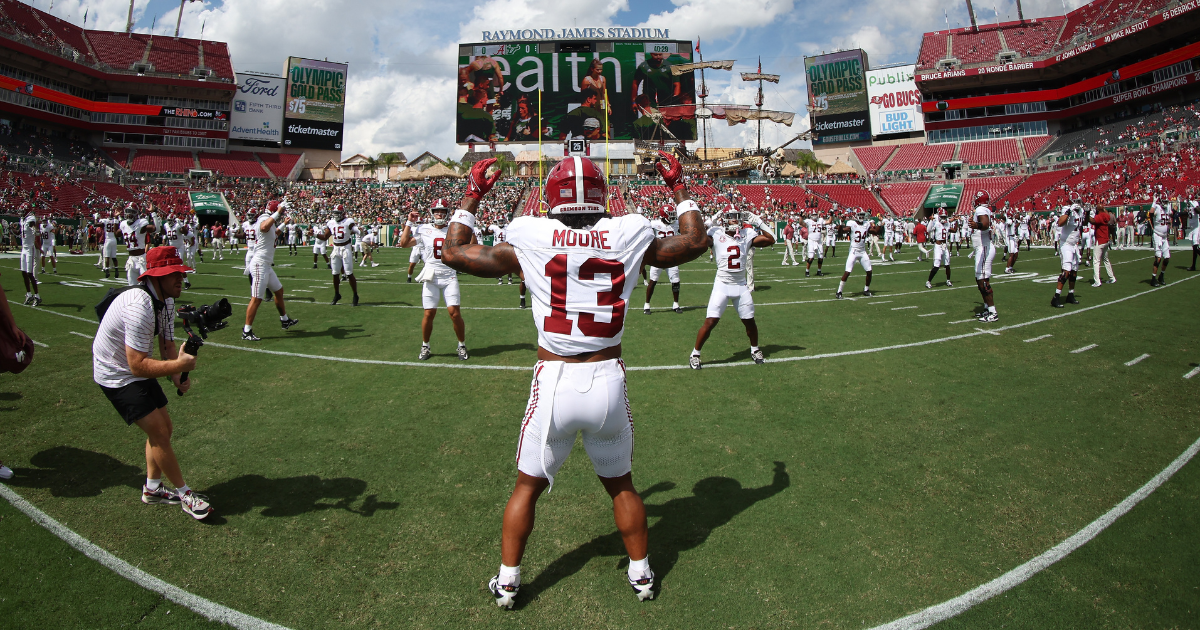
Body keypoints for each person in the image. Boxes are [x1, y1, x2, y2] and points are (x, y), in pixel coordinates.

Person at [441, 153, 709, 608]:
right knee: (621, 482)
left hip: (555, 380)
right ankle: (641, 574)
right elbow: (695, 240)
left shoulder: (530, 233)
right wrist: (678, 184)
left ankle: (508, 582)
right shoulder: (629, 232)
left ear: (551, 196)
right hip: (607, 380)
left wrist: (474, 193)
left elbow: (453, 252)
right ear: (602, 194)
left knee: (528, 485)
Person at [92, 246, 210, 520]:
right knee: (158, 431)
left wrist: (178, 377)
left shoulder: (165, 301)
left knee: (165, 428)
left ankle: (153, 489)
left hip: (131, 368)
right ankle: (185, 494)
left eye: (181, 272)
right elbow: (137, 365)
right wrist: (179, 366)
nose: (180, 278)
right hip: (115, 373)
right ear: (156, 277)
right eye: (173, 274)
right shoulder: (140, 305)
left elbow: (168, 344)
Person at [689, 207, 776, 369]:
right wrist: (708, 223)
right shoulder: (716, 232)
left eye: (737, 217)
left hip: (741, 286)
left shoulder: (747, 234)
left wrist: (758, 221)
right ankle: (695, 353)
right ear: (724, 219)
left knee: (750, 322)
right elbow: (698, 240)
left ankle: (755, 349)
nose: (735, 220)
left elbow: (771, 239)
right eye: (731, 217)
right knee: (710, 322)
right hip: (722, 285)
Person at [398, 200, 468, 360]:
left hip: (449, 275)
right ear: (432, 212)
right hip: (431, 276)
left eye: (443, 211)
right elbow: (403, 244)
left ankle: (461, 344)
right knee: (429, 313)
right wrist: (409, 222)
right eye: (437, 211)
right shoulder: (424, 229)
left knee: (455, 313)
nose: (440, 214)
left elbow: (470, 243)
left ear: (447, 213)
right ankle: (425, 346)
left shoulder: (452, 230)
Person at [242, 200, 300, 341]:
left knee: (279, 291)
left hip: (266, 265)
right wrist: (278, 213)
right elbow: (263, 227)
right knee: (256, 298)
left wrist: (284, 223)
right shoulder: (263, 218)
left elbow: (274, 233)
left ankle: (284, 320)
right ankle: (246, 331)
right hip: (259, 264)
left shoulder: (271, 222)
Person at [318, 204, 361, 305]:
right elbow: (325, 237)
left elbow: (353, 228)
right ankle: (337, 294)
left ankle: (355, 295)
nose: (336, 215)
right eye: (335, 213)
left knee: (349, 273)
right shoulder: (331, 222)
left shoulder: (348, 221)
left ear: (342, 213)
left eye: (338, 213)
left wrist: (358, 231)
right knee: (335, 273)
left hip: (346, 248)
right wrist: (314, 234)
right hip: (336, 248)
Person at [837, 210, 883, 299]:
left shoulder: (866, 224)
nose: (862, 217)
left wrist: (880, 221)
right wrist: (841, 222)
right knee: (847, 272)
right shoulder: (852, 224)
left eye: (863, 216)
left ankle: (866, 289)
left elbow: (876, 231)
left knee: (869, 271)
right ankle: (839, 291)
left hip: (862, 251)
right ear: (856, 216)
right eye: (860, 216)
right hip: (854, 251)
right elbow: (841, 231)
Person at [645, 204, 683, 313]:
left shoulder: (676, 224)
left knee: (676, 281)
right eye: (670, 215)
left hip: (672, 257)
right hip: (658, 257)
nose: (672, 217)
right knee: (653, 281)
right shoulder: (654, 224)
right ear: (664, 215)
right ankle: (647, 304)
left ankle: (676, 304)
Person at [969, 190, 999, 321]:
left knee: (983, 281)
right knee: (979, 279)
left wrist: (977, 225)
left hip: (984, 248)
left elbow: (985, 224)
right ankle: (987, 308)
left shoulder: (981, 209)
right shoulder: (983, 209)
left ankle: (993, 312)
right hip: (982, 248)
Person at [1051, 204, 1083, 308]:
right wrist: (1069, 211)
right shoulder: (1067, 209)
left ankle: (1070, 294)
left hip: (1074, 245)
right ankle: (1056, 297)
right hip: (1066, 244)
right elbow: (1060, 223)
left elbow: (1084, 223)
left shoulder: (1080, 210)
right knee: (1066, 271)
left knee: (1074, 272)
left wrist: (1086, 213)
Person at [120, 204, 156, 286]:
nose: (129, 214)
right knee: (131, 286)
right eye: (128, 212)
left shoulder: (141, 223)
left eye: (131, 212)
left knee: (147, 285)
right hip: (131, 259)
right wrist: (115, 219)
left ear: (136, 213)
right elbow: (116, 234)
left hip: (141, 258)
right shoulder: (124, 224)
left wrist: (153, 213)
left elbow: (156, 229)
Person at [925, 208, 954, 288]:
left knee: (947, 264)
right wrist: (931, 220)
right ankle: (928, 281)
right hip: (938, 246)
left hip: (945, 245)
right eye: (942, 217)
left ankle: (948, 280)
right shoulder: (936, 222)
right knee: (936, 265)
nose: (944, 218)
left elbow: (953, 230)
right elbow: (928, 229)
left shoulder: (947, 223)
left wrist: (956, 221)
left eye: (945, 217)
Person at [1090, 205, 1116, 286]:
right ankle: (1112, 278)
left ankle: (1097, 281)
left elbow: (1093, 221)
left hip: (1100, 240)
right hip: (1106, 240)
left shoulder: (1099, 216)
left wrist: (1087, 214)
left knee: (1096, 261)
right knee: (1105, 259)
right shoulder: (1106, 215)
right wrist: (1102, 208)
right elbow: (1106, 214)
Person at [18, 209, 40, 306]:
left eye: (22, 211)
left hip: (30, 248)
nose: (21, 213)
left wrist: (35, 229)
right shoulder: (22, 220)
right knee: (23, 273)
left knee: (29, 273)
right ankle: (29, 294)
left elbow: (32, 224)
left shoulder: (30, 218)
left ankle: (37, 296)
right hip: (23, 249)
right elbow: (20, 232)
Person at [1149, 197, 1172, 286]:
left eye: (1167, 201)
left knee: (1167, 258)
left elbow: (1170, 216)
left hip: (1164, 236)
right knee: (1158, 258)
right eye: (1165, 201)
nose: (1166, 203)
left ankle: (1161, 276)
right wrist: (1154, 202)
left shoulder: (1167, 209)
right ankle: (1153, 279)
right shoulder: (1157, 208)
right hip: (1157, 235)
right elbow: (1150, 213)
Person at [804, 212, 831, 277]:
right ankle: (807, 271)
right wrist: (801, 217)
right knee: (811, 257)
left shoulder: (820, 220)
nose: (815, 216)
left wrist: (832, 215)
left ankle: (819, 270)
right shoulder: (809, 221)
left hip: (819, 241)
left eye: (815, 214)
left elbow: (829, 222)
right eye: (813, 215)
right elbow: (801, 223)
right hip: (811, 241)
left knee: (821, 257)